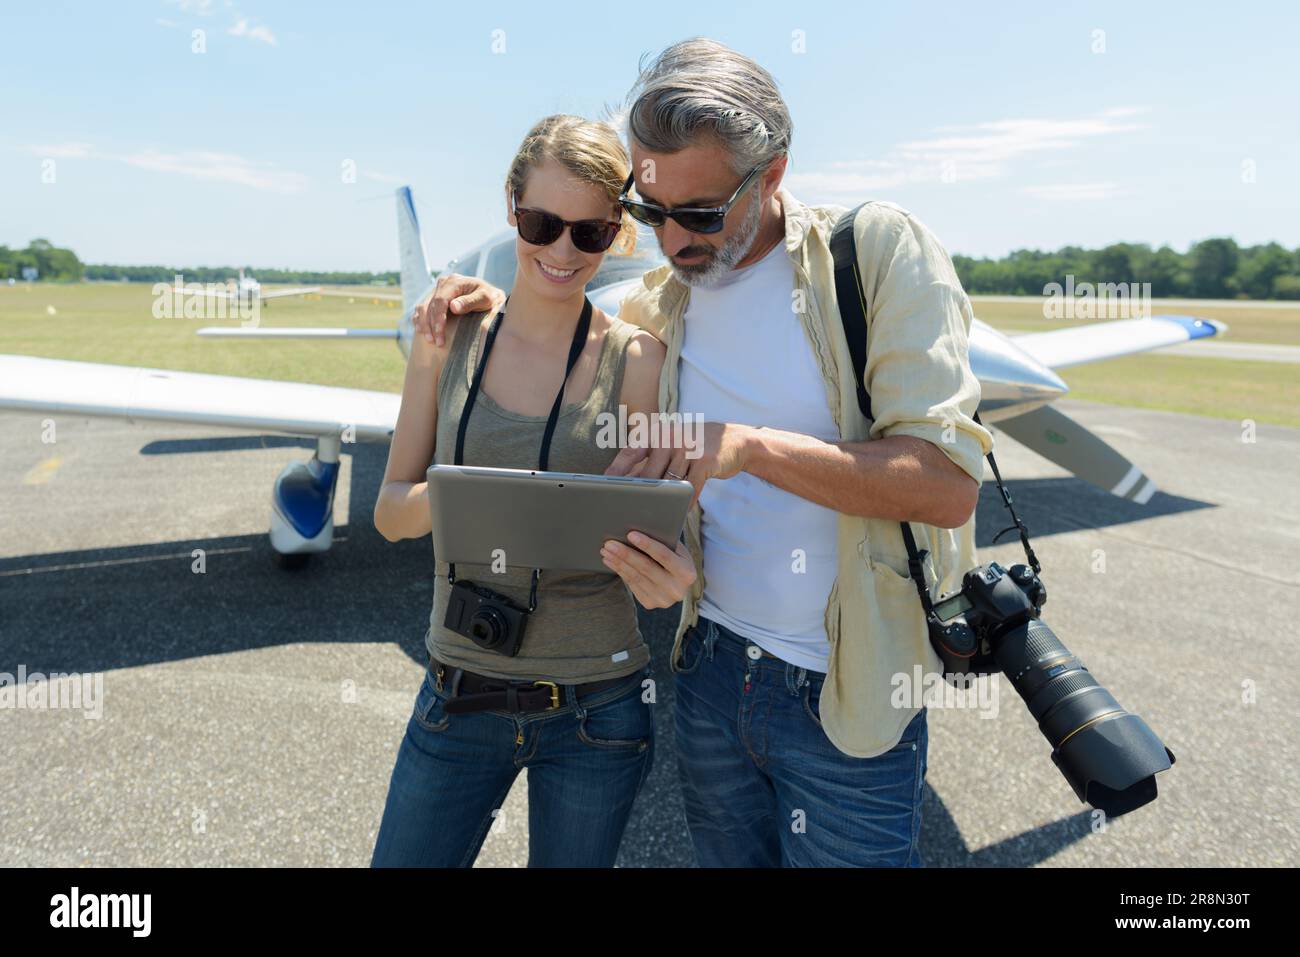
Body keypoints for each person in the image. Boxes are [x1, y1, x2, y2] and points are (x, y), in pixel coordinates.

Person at [411, 39, 993, 868]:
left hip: (846, 689)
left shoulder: (874, 258)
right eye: (652, 215)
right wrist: (480, 297)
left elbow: (945, 486)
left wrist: (749, 448)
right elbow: (568, 292)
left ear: (774, 174)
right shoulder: (665, 297)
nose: (676, 241)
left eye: (703, 213)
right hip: (711, 675)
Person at [370, 114, 694, 868]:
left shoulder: (637, 361)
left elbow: (650, 527)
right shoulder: (444, 336)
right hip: (458, 695)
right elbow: (390, 513)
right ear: (511, 208)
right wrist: (468, 500)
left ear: (616, 235)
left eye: (588, 233)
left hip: (598, 712)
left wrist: (665, 576)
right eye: (541, 223)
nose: (559, 250)